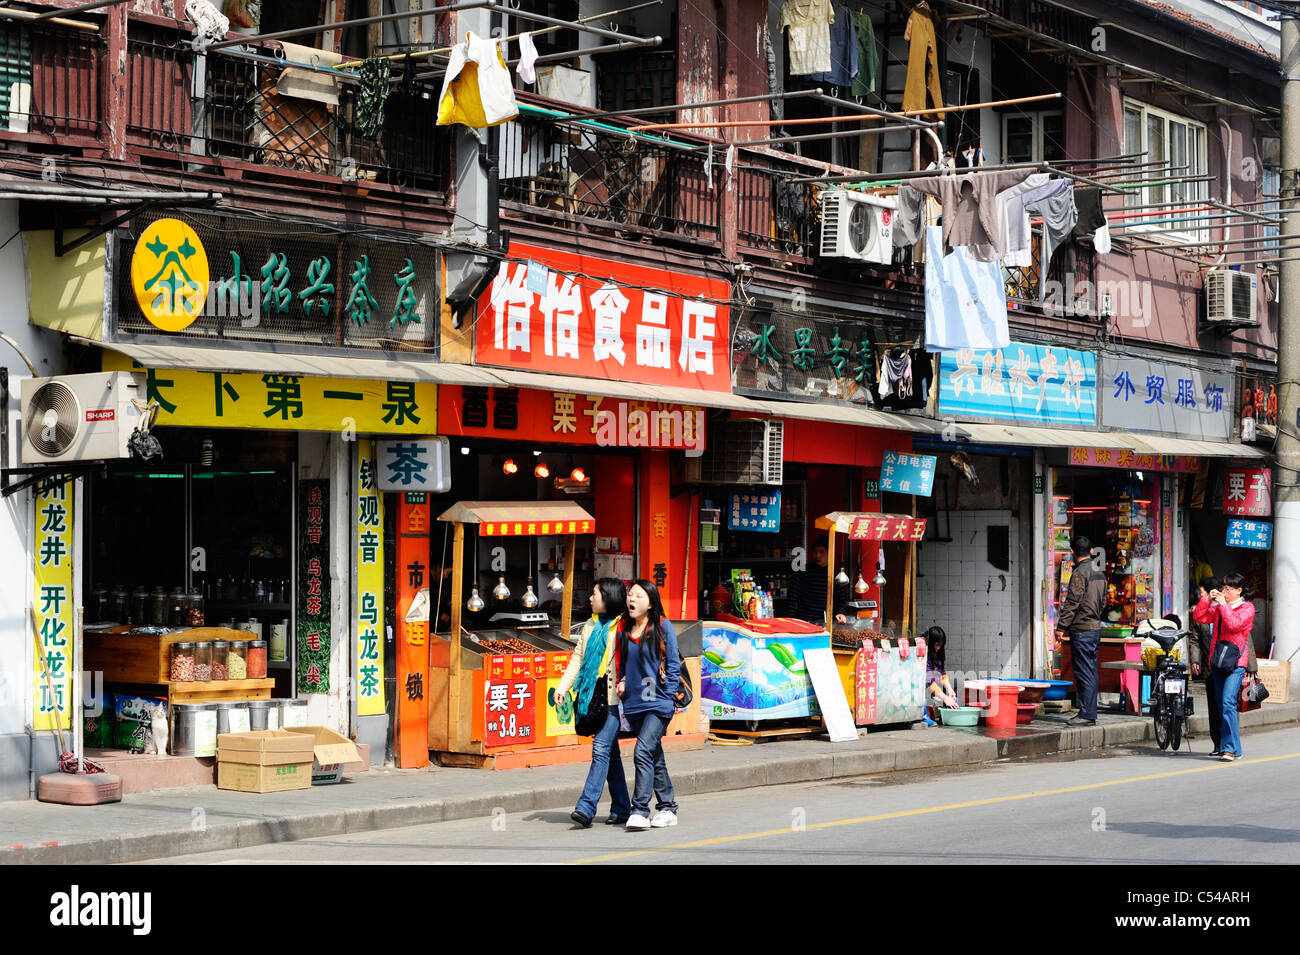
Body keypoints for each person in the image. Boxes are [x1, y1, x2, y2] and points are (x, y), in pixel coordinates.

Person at [555, 578, 629, 828]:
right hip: (592, 695)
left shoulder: (624, 626)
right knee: (610, 754)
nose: (590, 597)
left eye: (595, 593)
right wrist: (563, 688)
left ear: (607, 597)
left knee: (600, 749)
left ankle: (586, 807)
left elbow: (632, 660)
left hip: (615, 699)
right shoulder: (590, 624)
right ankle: (622, 808)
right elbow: (578, 659)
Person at [614, 579, 680, 830]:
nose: (632, 599)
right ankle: (668, 808)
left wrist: (668, 697)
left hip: (658, 703)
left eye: (639, 596)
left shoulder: (663, 626)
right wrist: (622, 681)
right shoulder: (623, 628)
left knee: (642, 751)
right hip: (634, 704)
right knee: (653, 755)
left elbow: (673, 664)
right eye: (630, 594)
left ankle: (640, 810)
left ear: (651, 603)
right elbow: (622, 664)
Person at [1192, 572, 1257, 762]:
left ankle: (1228, 748)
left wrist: (1222, 605)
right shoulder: (1221, 608)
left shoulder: (1247, 608)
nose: (1224, 592)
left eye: (1228, 589)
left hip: (1236, 662)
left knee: (1228, 702)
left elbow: (1234, 625)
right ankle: (1235, 748)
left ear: (1238, 591)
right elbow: (1200, 617)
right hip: (1218, 661)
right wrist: (1206, 599)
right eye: (1223, 588)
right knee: (1222, 705)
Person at [1055, 535, 1107, 725]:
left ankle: (1086, 714)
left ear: (1072, 552)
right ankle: (1089, 712)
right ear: (1091, 551)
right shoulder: (1099, 572)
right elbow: (1103, 602)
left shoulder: (1079, 573)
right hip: (1094, 627)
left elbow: (1073, 602)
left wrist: (1062, 627)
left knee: (1084, 672)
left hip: (1082, 629)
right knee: (1091, 671)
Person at [787, 535, 850, 626]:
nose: (817, 555)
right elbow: (792, 598)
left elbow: (841, 599)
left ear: (829, 553)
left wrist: (841, 613)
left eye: (821, 552)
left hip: (827, 622)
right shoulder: (803, 571)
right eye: (815, 552)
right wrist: (791, 619)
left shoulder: (836, 574)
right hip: (804, 621)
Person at [1187, 577, 1220, 682]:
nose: (1199, 595)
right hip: (1208, 666)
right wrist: (1195, 661)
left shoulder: (1225, 610)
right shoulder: (1201, 615)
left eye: (1201, 592)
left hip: (1225, 664)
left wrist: (1251, 667)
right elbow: (1194, 640)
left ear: (1211, 592)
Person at [924, 625, 958, 716]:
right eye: (937, 645)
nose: (938, 648)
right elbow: (929, 682)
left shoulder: (939, 652)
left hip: (935, 685)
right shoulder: (924, 654)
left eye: (941, 645)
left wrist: (950, 690)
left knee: (955, 683)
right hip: (925, 686)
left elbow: (943, 673)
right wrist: (945, 698)